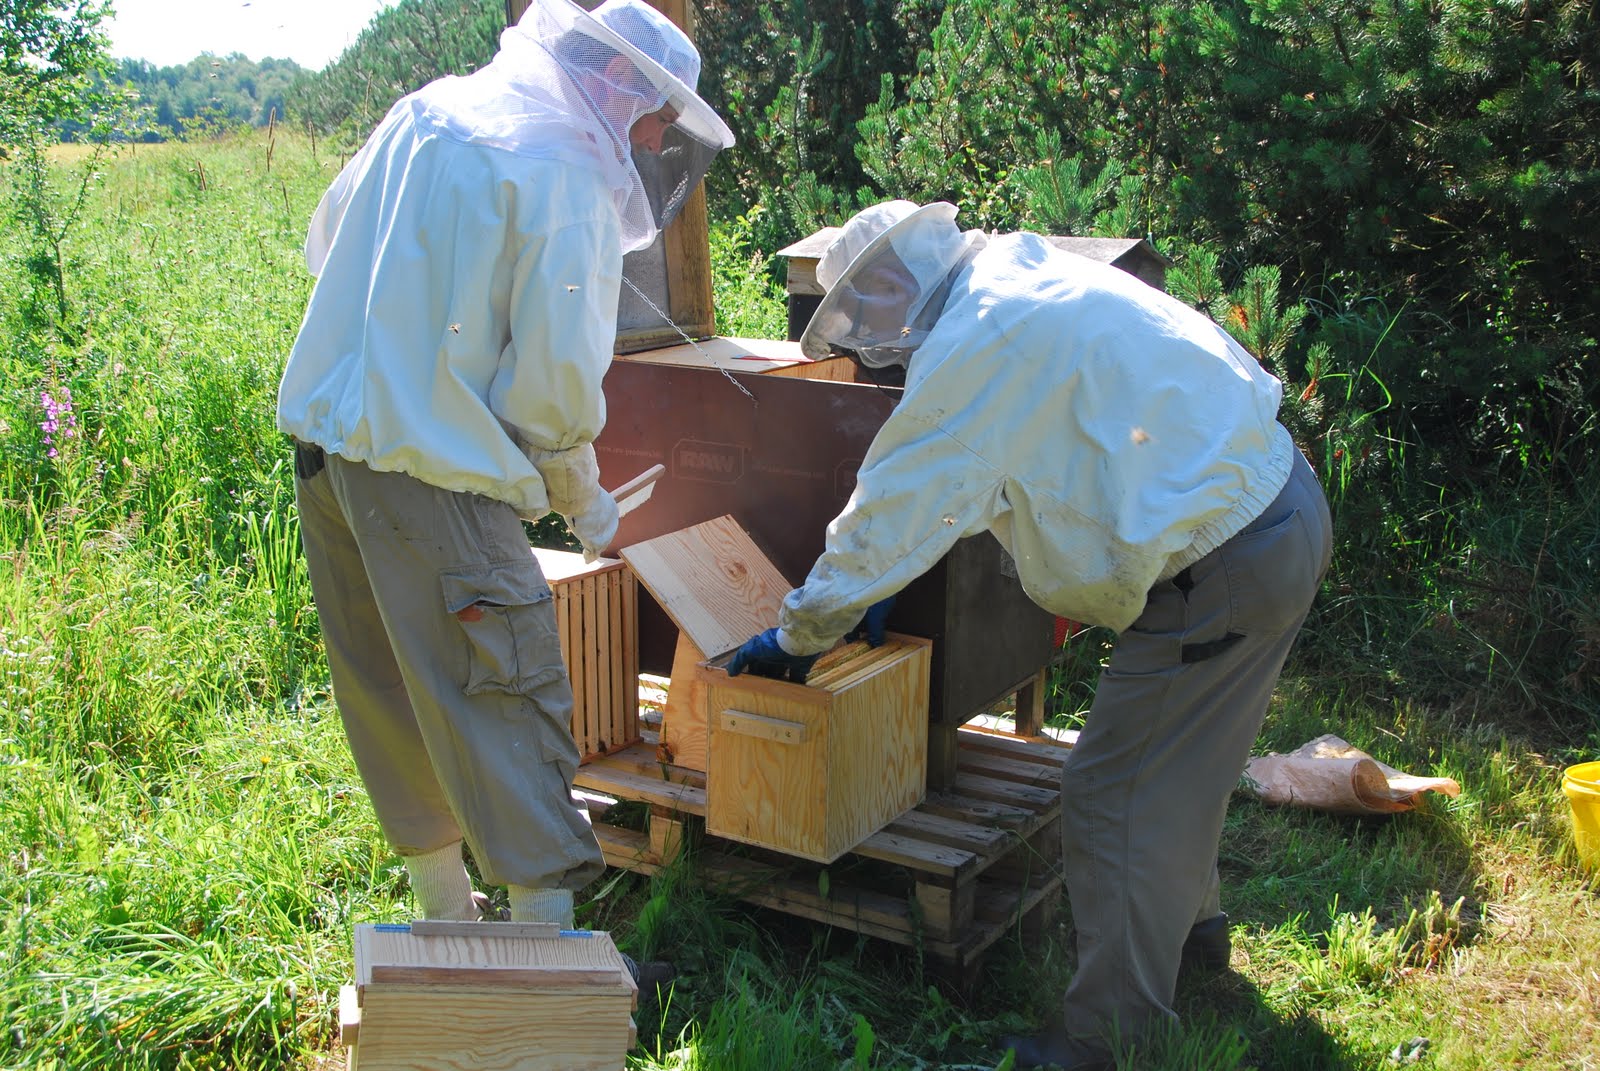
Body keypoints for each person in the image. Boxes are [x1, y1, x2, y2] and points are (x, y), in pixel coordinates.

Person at [726, 200, 1332, 1069]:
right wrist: (883, 583)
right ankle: (1193, 944)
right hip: (1276, 508)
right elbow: (1026, 447)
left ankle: (1105, 1040)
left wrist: (798, 635)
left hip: (1225, 561)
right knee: (1180, 763)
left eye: (870, 306)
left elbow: (887, 512)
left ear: (895, 282)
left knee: (1114, 790)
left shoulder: (978, 340)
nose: (872, 333)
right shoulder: (1018, 270)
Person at [276, 0, 732, 931]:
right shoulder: (562, 168)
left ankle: (447, 923)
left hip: (327, 458)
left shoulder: (426, 110)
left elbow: (327, 246)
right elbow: (554, 391)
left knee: (394, 687)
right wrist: (589, 506)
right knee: (508, 693)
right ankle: (547, 972)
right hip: (429, 474)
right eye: (655, 114)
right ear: (611, 82)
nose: (652, 139)